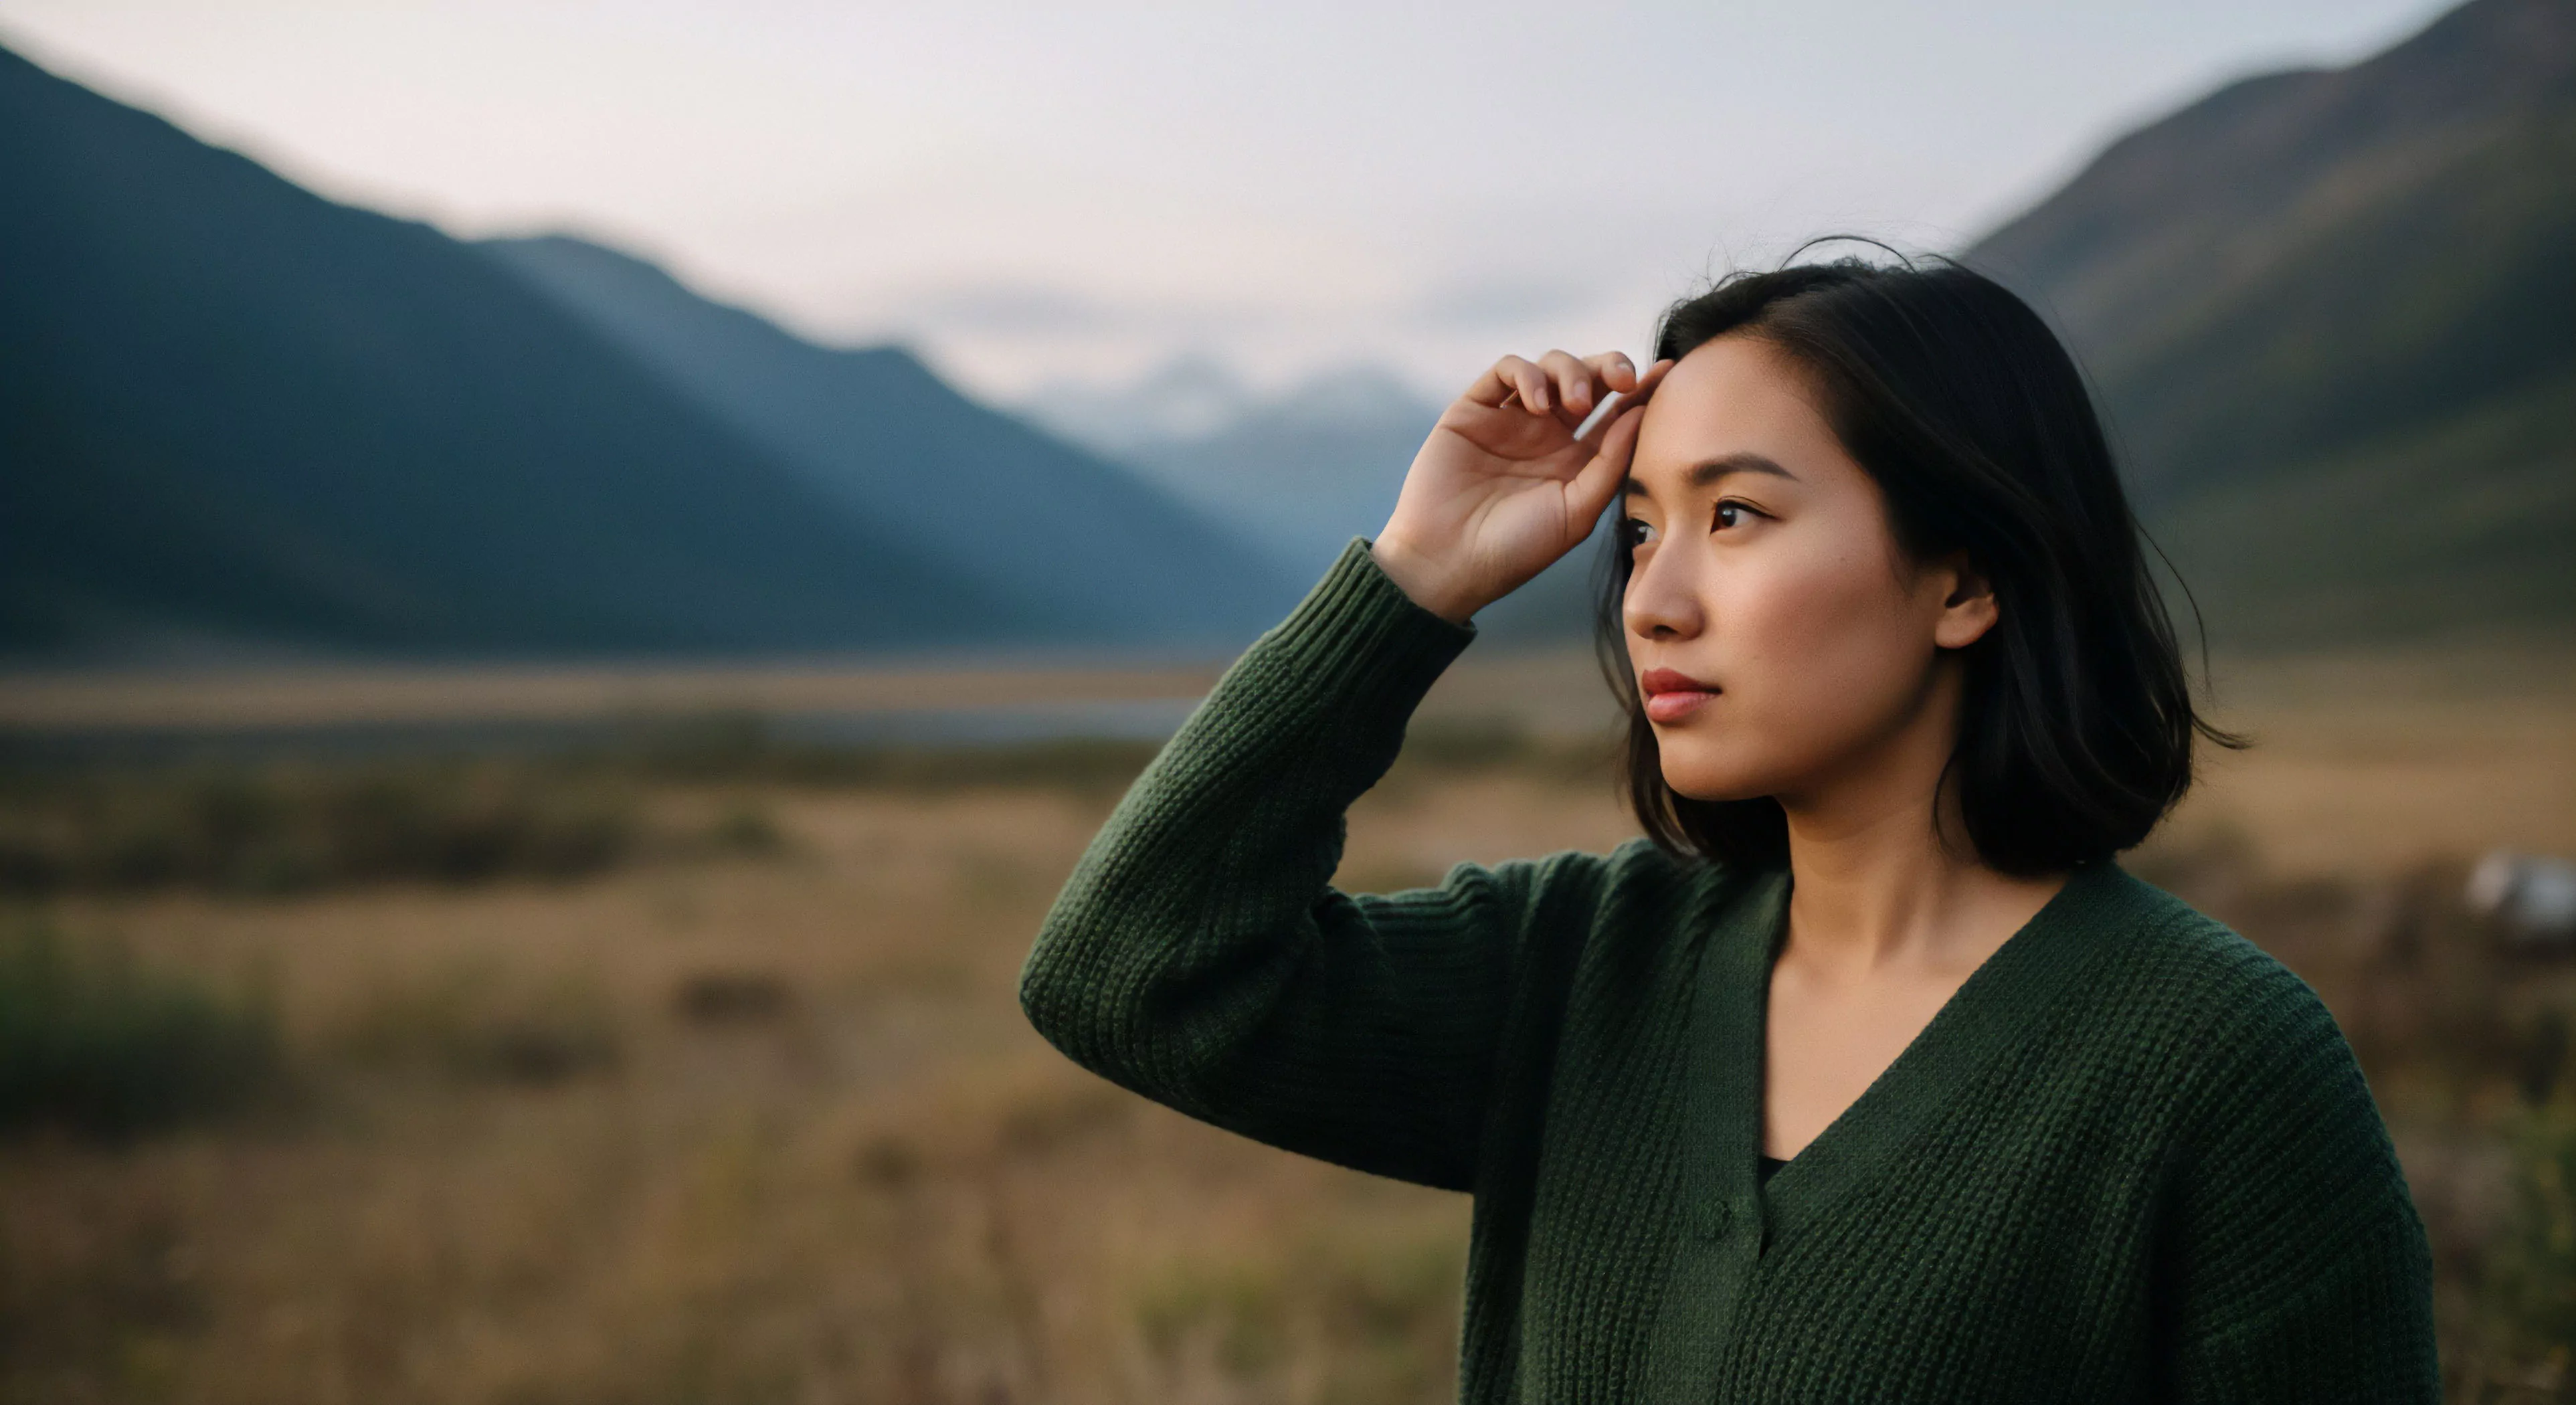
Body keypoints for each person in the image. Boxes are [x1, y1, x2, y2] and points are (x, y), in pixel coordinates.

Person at [1017, 255, 2440, 1402]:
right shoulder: (1575, 966)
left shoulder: (2215, 1067)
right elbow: (1129, 975)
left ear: (1962, 581)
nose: (1648, 599)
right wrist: (1417, 579)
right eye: (1637, 527)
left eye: (1737, 514)